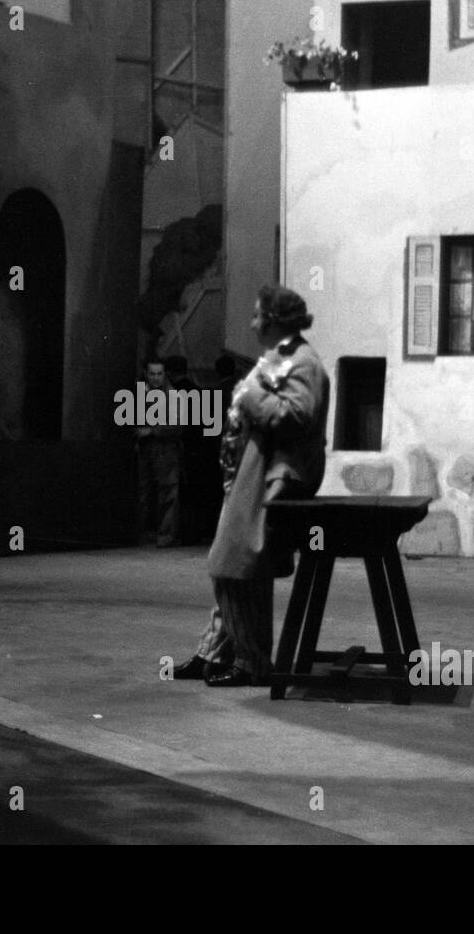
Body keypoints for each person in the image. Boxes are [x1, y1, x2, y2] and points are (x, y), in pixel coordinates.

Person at [174, 285, 330, 687]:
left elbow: (297, 416)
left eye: (259, 315)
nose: (252, 322)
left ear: (277, 321)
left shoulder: (304, 363)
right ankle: (218, 653)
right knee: (237, 566)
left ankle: (252, 662)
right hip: (254, 473)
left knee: (235, 565)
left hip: (276, 479)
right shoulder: (280, 357)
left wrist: (250, 396)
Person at [137, 358, 184, 547]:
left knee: (166, 493)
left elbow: (178, 425)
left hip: (165, 449)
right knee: (147, 493)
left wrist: (151, 430)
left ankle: (164, 535)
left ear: (164, 374)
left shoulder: (173, 396)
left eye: (159, 374)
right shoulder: (142, 393)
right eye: (152, 374)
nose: (156, 378)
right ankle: (151, 533)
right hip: (149, 448)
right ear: (147, 374)